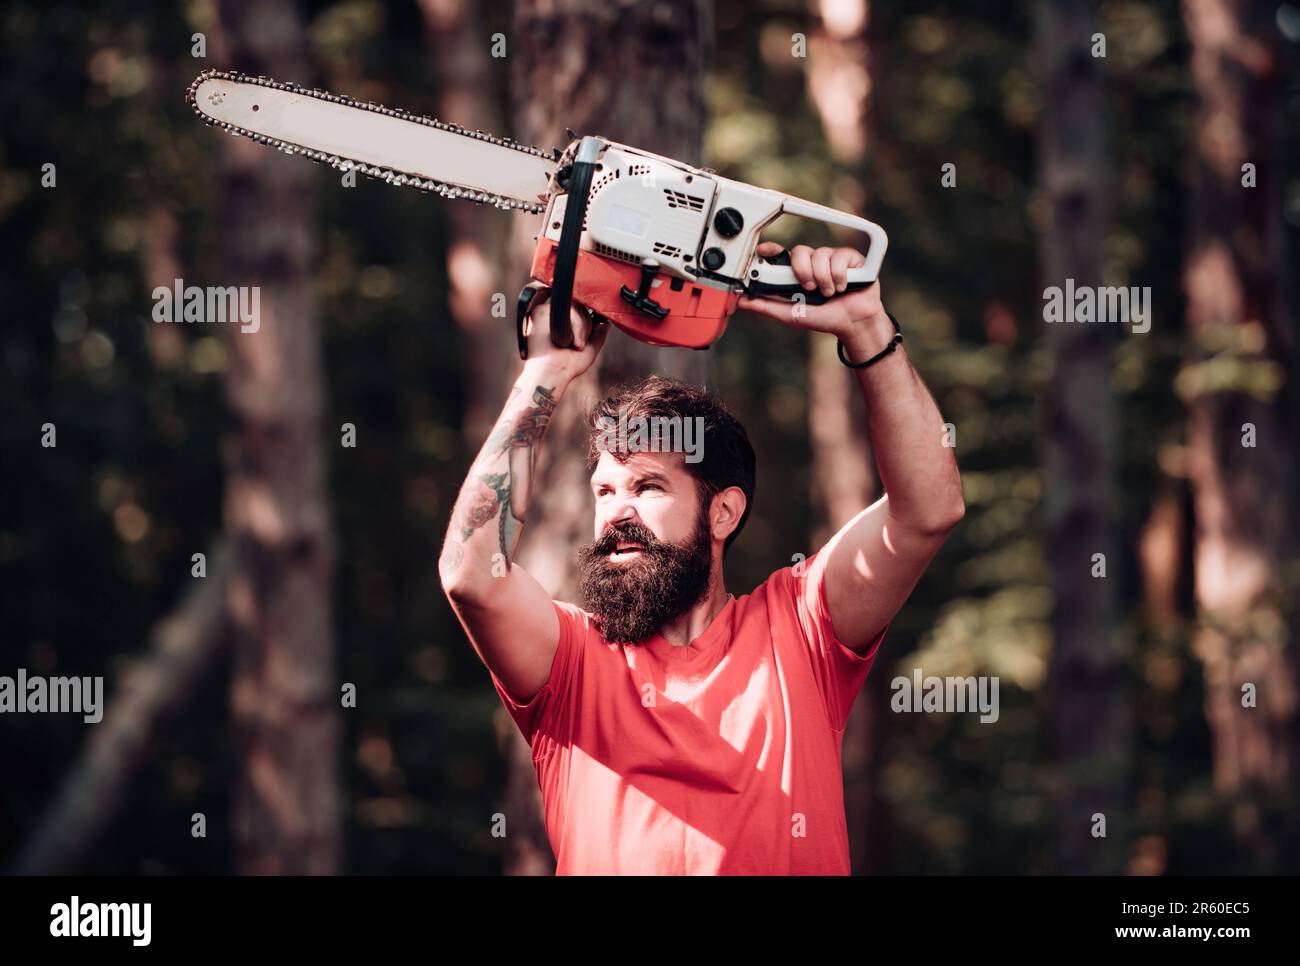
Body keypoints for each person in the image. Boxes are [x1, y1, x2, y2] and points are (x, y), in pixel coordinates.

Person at [438, 242, 965, 874]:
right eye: (605, 490)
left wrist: (867, 330)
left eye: (648, 487)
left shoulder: (799, 629)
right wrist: (544, 375)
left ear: (724, 514)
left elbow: (927, 511)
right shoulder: (573, 663)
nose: (617, 512)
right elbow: (471, 576)